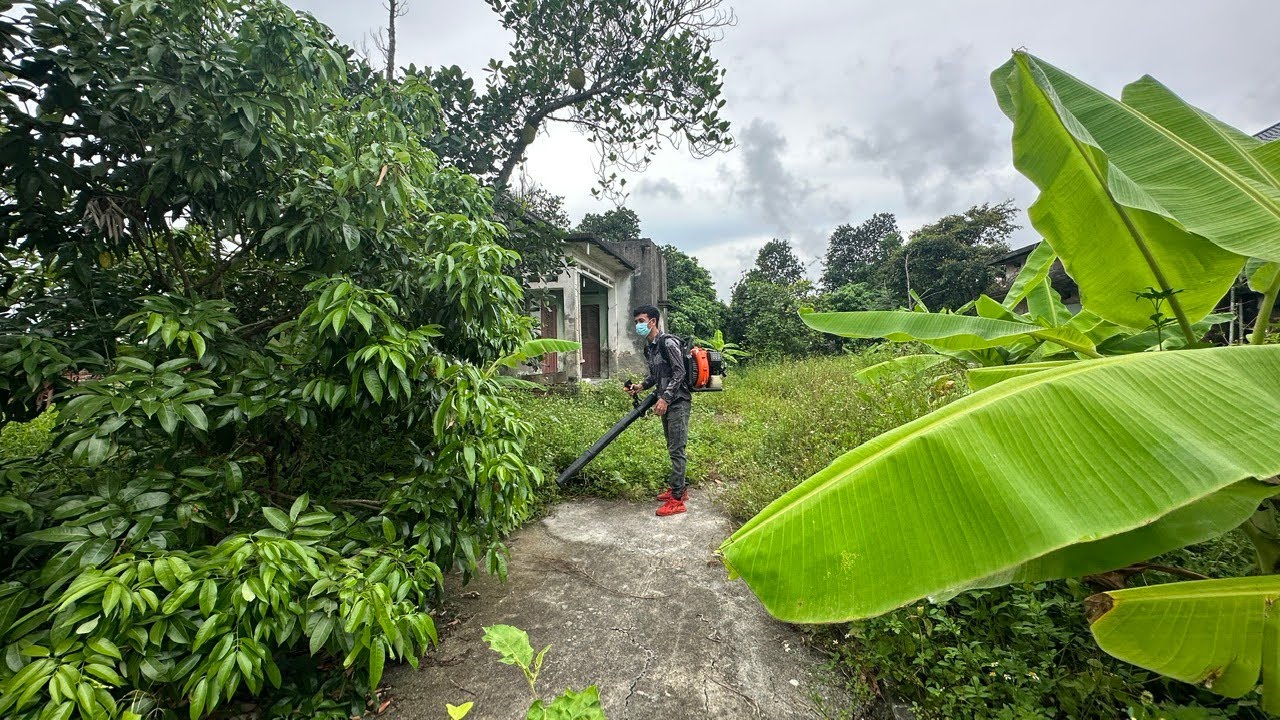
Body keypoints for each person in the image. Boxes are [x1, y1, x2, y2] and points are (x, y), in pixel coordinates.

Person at [627, 305, 692, 517]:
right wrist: (640, 386)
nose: (638, 325)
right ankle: (679, 488)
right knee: (672, 446)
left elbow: (679, 373)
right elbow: (656, 376)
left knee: (677, 448)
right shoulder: (650, 348)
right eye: (636, 322)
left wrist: (665, 398)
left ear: (652, 321)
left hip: (678, 402)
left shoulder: (668, 343)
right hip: (666, 402)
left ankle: (677, 500)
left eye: (641, 321)